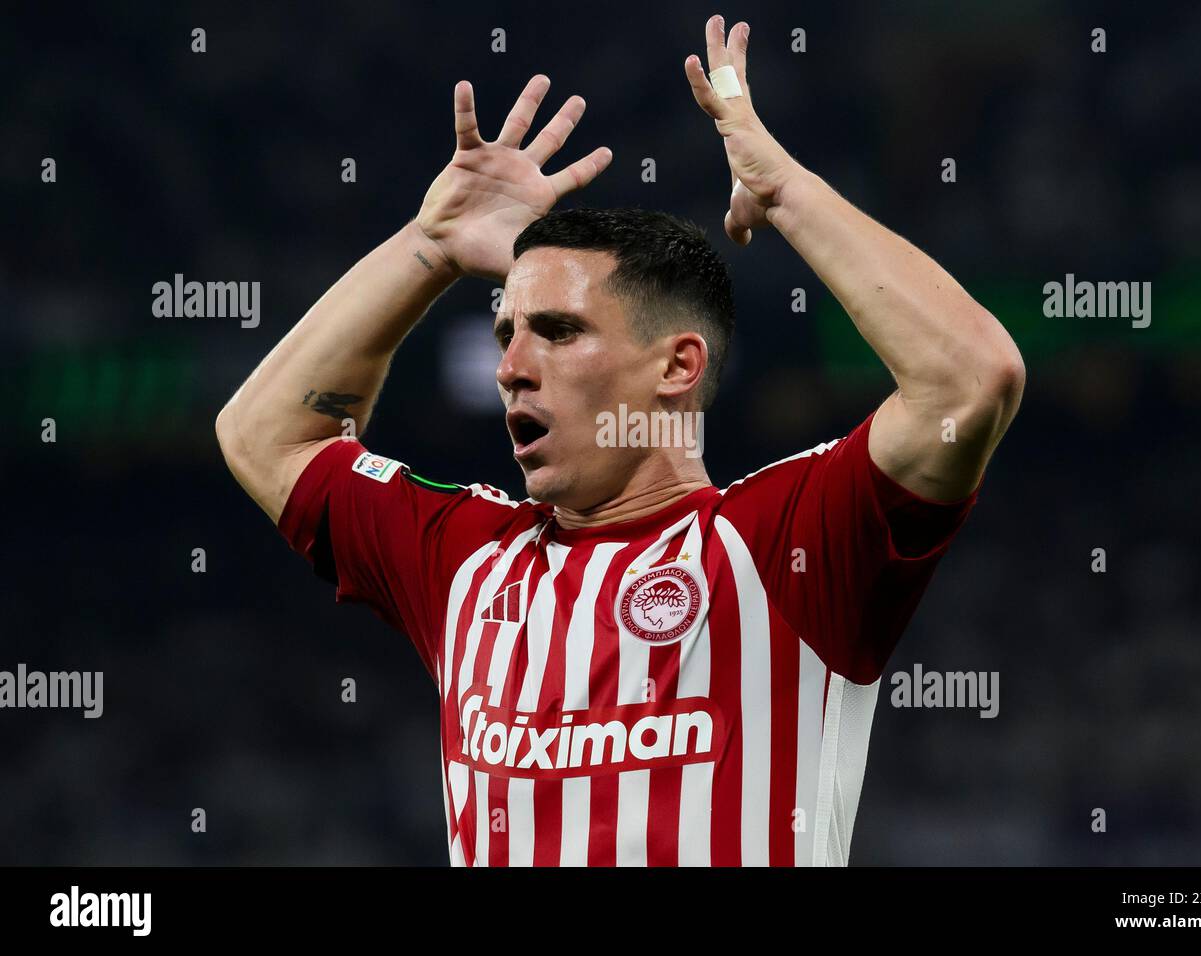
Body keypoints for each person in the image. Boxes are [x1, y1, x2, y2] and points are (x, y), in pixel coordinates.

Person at [216, 14, 1025, 866]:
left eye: (558, 332)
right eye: (504, 334)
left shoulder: (784, 546)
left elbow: (971, 381)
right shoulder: (466, 564)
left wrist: (787, 192)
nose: (511, 368)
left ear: (677, 367)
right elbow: (263, 434)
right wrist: (430, 247)